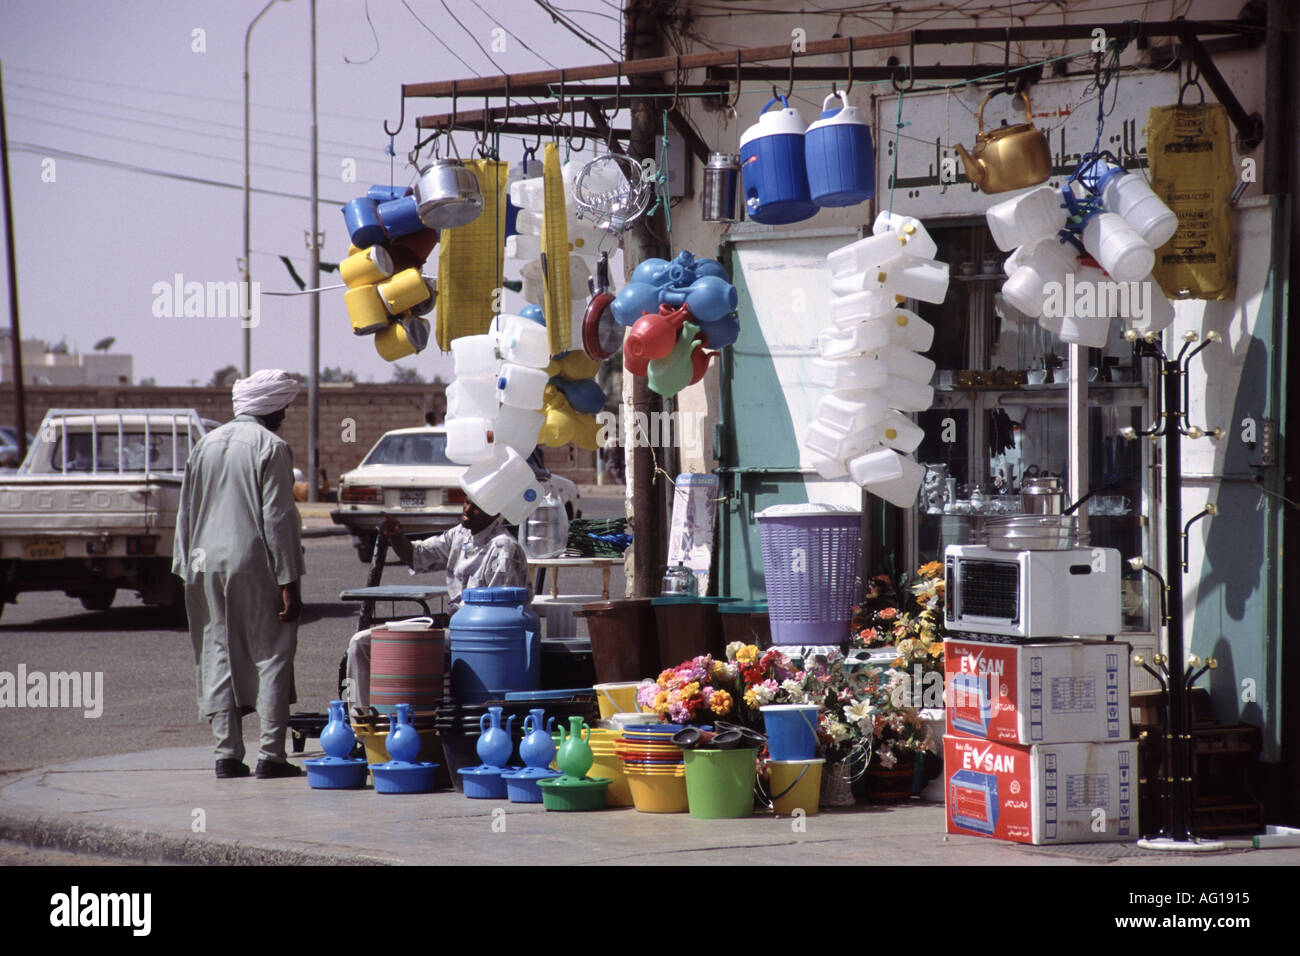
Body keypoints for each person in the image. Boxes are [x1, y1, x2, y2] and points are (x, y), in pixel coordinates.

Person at [173, 369, 306, 780]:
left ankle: (227, 754)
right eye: (283, 407)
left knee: (217, 652)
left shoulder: (205, 445)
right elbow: (278, 519)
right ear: (270, 407)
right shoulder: (272, 447)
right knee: (272, 655)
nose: (285, 414)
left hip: (202, 562)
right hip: (254, 562)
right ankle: (271, 756)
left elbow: (186, 512)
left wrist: (185, 570)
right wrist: (290, 581)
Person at [342, 499, 529, 708]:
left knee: (394, 645)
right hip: (453, 628)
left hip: (477, 638)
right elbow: (418, 555)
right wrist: (396, 536)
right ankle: (360, 722)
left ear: (495, 512)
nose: (467, 509)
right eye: (466, 502)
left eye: (477, 506)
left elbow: (497, 615)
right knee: (361, 642)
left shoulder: (503, 547)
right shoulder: (461, 534)